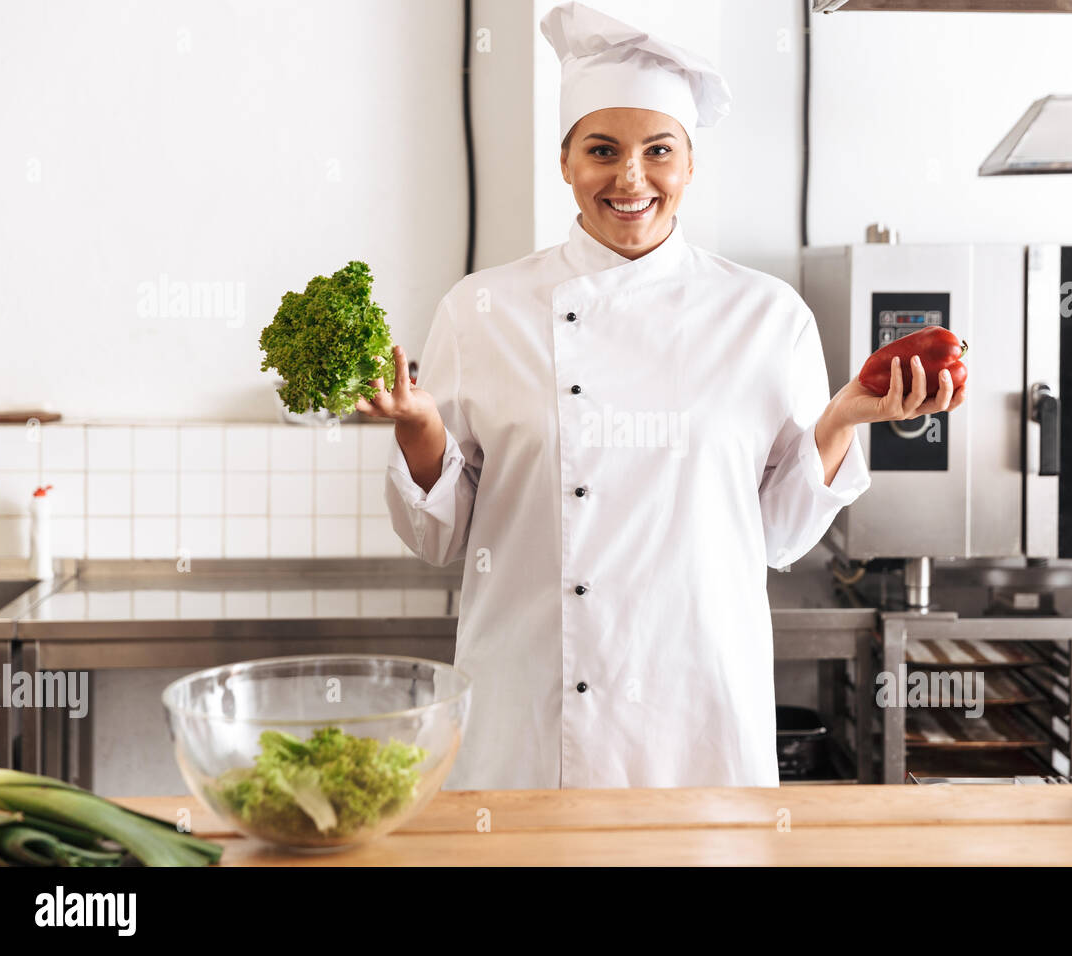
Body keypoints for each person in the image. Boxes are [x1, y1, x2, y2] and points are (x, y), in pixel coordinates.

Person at [356, 1, 965, 790]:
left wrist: (845, 417)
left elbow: (777, 536)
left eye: (659, 151)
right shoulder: (481, 310)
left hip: (696, 707)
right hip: (532, 708)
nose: (631, 178)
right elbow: (442, 540)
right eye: (602, 150)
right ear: (567, 161)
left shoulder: (765, 315)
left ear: (689, 165)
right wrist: (421, 431)